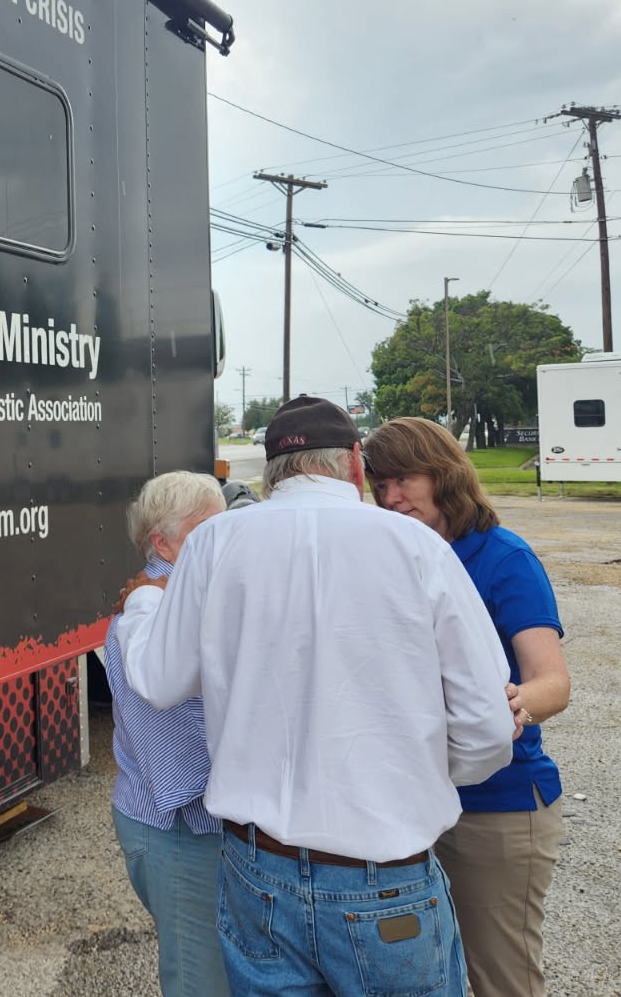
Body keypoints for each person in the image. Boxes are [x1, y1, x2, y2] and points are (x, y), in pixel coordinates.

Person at [117, 396, 519, 997]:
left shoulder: (213, 542)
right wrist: (420, 775)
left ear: (271, 472)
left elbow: (159, 681)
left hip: (257, 870)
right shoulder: (417, 546)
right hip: (383, 874)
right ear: (355, 462)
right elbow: (487, 726)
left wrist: (143, 604)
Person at [364, 417, 571, 997]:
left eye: (404, 479)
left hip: (495, 807)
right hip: (412, 803)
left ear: (444, 474)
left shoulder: (504, 557)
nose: (391, 498)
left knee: (498, 977)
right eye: (379, 485)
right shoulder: (393, 555)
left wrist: (511, 704)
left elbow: (553, 683)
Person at [105, 472, 229, 997]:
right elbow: (182, 766)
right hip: (184, 832)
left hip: (194, 829)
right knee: (202, 980)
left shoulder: (180, 600)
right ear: (163, 542)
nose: (224, 540)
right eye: (209, 530)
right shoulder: (149, 618)